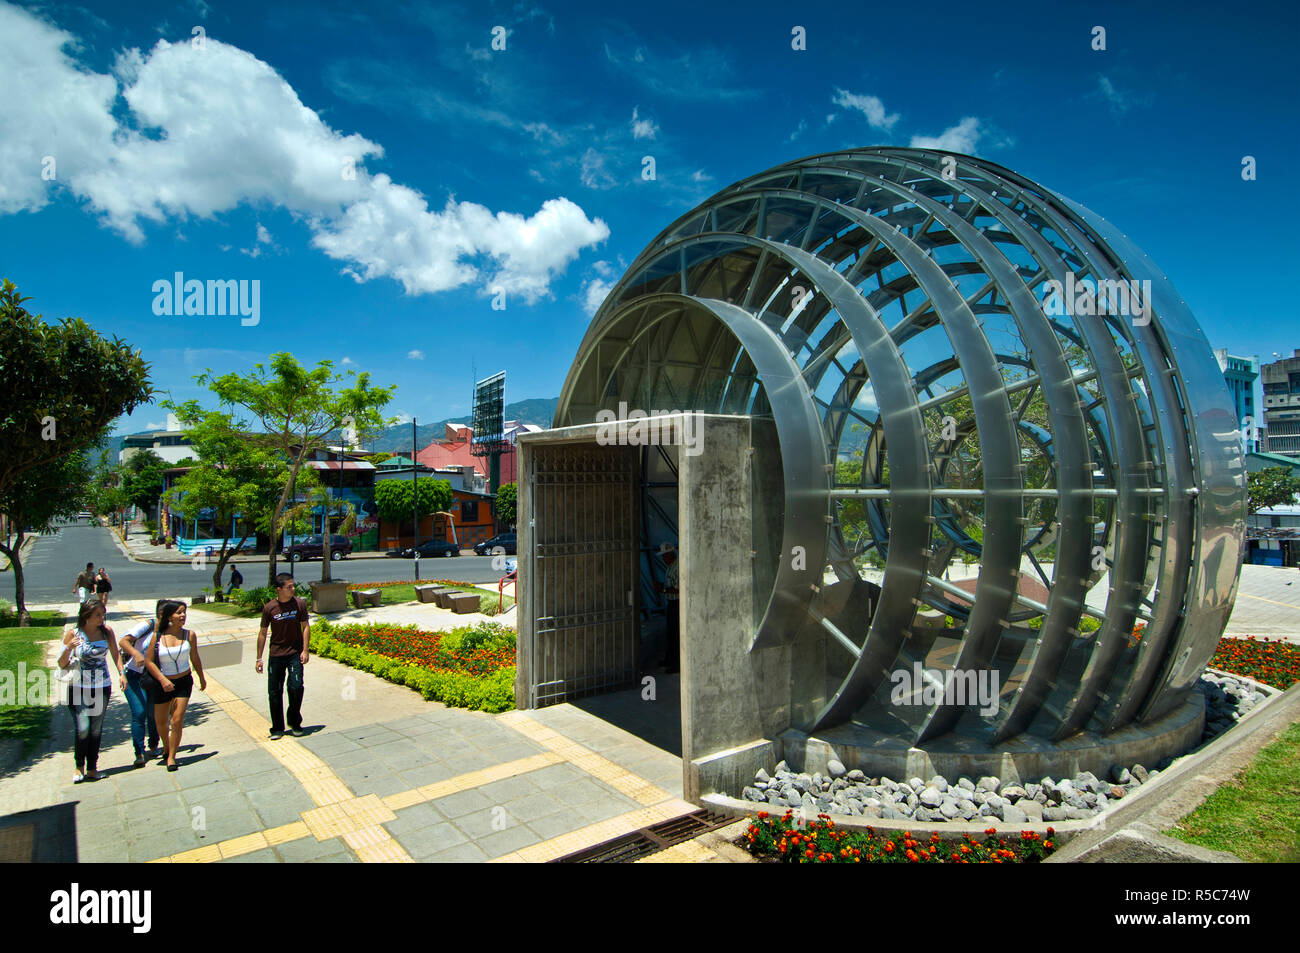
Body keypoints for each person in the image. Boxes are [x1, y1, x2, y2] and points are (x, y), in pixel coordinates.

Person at [57, 597, 124, 783]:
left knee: (95, 729)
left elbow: (115, 653)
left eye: (103, 614)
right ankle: (79, 767)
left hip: (102, 687)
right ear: (86, 616)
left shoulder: (107, 632)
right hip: (78, 688)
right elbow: (61, 664)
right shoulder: (74, 634)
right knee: (83, 728)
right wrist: (68, 648)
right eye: (98, 615)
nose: (102, 618)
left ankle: (92, 768)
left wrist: (122, 673)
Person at [145, 600, 206, 771]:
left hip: (183, 682)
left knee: (177, 720)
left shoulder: (190, 635)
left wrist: (201, 677)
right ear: (169, 616)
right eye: (179, 612)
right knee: (161, 723)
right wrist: (163, 680)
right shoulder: (157, 637)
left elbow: (195, 657)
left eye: (184, 612)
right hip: (162, 683)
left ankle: (171, 756)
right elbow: (149, 662)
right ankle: (166, 745)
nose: (183, 615)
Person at [257, 573, 310, 739]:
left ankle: (294, 721)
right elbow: (263, 633)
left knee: (296, 686)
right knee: (274, 692)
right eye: (289, 587)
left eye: (293, 586)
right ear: (279, 589)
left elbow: (305, 627)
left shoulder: (299, 604)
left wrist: (305, 650)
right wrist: (259, 658)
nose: (293, 589)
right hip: (276, 655)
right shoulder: (269, 608)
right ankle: (277, 728)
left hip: (294, 653)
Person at [118, 600, 166, 767]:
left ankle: (154, 746)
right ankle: (139, 752)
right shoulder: (147, 625)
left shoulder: (170, 631)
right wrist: (136, 654)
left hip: (153, 678)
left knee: (154, 714)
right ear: (160, 614)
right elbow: (123, 641)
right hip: (134, 675)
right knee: (139, 712)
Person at [654, 543, 680, 673]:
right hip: (672, 603)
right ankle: (670, 659)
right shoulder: (671, 567)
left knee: (676, 634)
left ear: (670, 554)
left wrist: (663, 589)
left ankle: (676, 664)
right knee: (671, 633)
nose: (663, 559)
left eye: (664, 556)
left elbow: (679, 589)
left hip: (677, 603)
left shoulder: (677, 567)